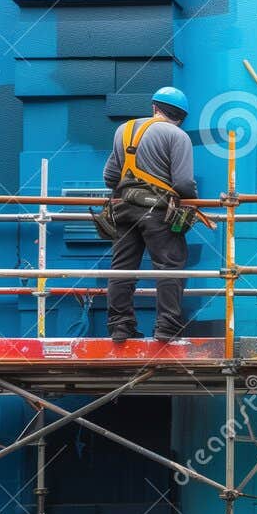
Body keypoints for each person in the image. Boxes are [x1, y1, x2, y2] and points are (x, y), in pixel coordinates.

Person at [103, 86, 198, 343]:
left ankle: (120, 327)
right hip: (159, 212)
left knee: (122, 268)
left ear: (154, 107)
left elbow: (110, 177)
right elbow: (183, 183)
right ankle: (167, 327)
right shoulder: (177, 136)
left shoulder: (123, 130)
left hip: (124, 210)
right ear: (181, 117)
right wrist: (193, 199)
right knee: (169, 266)